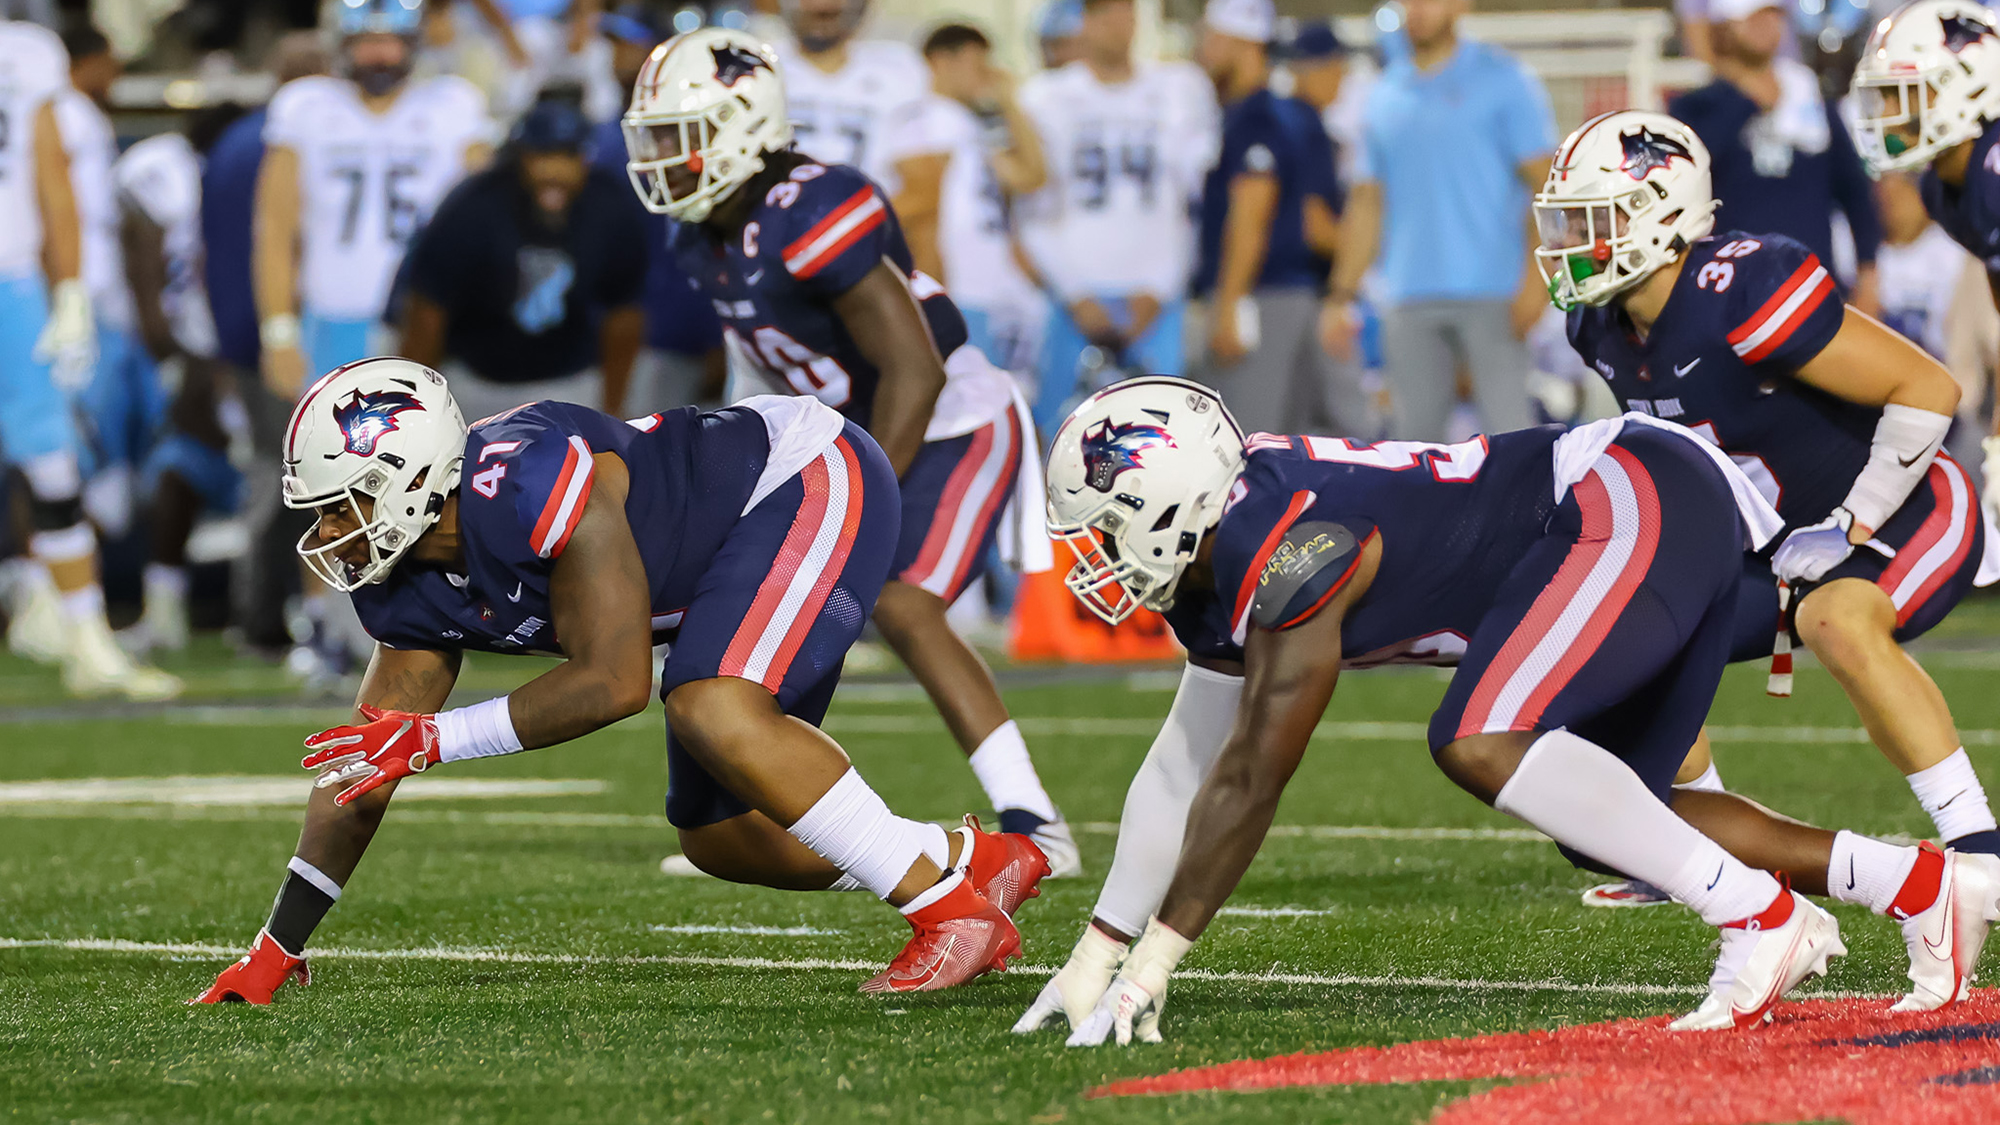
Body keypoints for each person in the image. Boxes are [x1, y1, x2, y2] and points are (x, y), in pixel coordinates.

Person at [1014, 376, 2000, 1046]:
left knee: (1477, 738)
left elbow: (1252, 773)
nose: (1093, 558)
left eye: (1105, 528)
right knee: (1613, 822)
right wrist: (1095, 953)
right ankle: (1921, 887)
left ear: (1173, 499)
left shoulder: (1288, 543)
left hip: (1621, 493)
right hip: (1608, 519)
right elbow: (1180, 768)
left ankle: (1756, 916)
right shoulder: (1217, 564)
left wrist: (1155, 964)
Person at [189, 359, 1050, 1003]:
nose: (333, 531)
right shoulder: (402, 584)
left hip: (804, 477)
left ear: (413, 481)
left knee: (711, 702)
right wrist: (276, 949)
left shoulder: (528, 483)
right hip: (727, 563)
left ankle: (950, 914)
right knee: (719, 838)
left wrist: (436, 740)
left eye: (346, 503)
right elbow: (361, 772)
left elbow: (612, 681)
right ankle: (972, 860)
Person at [623, 29, 1080, 875]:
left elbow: (915, 367)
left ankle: (1034, 820)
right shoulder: (703, 234)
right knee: (768, 608)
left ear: (744, 127)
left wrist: (867, 496)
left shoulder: (813, 206)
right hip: (842, 439)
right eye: (654, 140)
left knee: (903, 604)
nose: (664, 160)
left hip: (952, 420)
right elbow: (760, 366)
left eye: (680, 138)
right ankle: (766, 806)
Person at [1535, 111, 2000, 890]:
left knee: (1836, 619)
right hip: (1776, 541)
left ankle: (1978, 843)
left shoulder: (1743, 288)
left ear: (1661, 215)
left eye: (1594, 220)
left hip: (1904, 506)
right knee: (1636, 635)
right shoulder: (1599, 324)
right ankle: (1700, 846)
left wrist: (1851, 522)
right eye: (1567, 222)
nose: (1572, 243)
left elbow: (1928, 387)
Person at [255, 0, 493, 681]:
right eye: (367, 43)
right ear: (341, 44)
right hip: (335, 315)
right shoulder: (307, 107)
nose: (381, 56)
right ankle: (325, 626)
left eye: (393, 41)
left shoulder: (453, 104)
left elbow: (478, 217)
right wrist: (278, 327)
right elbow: (275, 227)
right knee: (328, 479)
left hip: (426, 318)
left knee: (434, 479)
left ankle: (428, 618)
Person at [0, 18, 178, 699]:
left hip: (12, 275)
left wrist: (68, 289)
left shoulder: (26, 49)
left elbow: (49, 175)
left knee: (52, 462)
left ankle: (86, 639)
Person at [1325, 0, 1554, 443]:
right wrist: (1341, 294)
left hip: (1495, 294)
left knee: (1513, 443)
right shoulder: (1384, 95)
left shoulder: (1503, 79)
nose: (1418, 10)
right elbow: (1367, 201)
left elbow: (1544, 184)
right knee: (1413, 451)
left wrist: (1538, 279)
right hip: (1408, 298)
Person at [1016, 0, 1217, 432]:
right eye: (1103, 13)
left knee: (1165, 445)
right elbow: (1031, 209)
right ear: (1083, 21)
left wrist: (1162, 286)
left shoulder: (1180, 87)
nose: (1117, 23)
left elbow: (1191, 202)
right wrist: (1074, 293)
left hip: (1156, 299)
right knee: (1063, 443)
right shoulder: (1043, 98)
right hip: (1072, 299)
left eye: (1125, 11)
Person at [400, 96, 646, 421]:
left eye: (567, 156)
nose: (554, 171)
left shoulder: (610, 208)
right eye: (543, 155)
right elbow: (427, 310)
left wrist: (614, 406)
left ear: (585, 158)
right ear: (521, 156)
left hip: (568, 383)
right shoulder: (473, 206)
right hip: (477, 382)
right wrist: (416, 410)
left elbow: (624, 314)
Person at [202, 31, 328, 658]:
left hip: (239, 328)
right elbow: (285, 245)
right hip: (285, 330)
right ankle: (266, 613)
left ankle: (257, 611)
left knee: (272, 473)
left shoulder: (234, 141)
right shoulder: (292, 145)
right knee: (301, 478)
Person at [1190, 0, 1371, 438]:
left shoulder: (1260, 116)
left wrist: (1230, 303)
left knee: (1244, 444)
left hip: (1262, 295)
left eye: (1214, 39)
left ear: (1245, 43)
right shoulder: (1259, 113)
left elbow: (1253, 212)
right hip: (1274, 293)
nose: (1203, 51)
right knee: (1282, 440)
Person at [1852, 0, 2000, 514]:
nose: (1889, 112)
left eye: (1902, 93)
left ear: (1969, 87)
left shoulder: (1988, 175)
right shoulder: (1945, 186)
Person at [119, 104, 251, 653]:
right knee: (178, 469)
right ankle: (164, 606)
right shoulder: (182, 191)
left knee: (296, 493)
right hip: (209, 363)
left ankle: (284, 611)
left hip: (261, 358)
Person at [1669, 0, 1883, 316]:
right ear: (1724, 26)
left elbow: (1855, 192)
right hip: (1727, 299)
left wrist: (1869, 274)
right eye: (1754, 17)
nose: (1767, 25)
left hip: (1813, 294)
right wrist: (1743, 102)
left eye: (1773, 14)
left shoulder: (1810, 97)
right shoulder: (1696, 107)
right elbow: (1685, 176)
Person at [587, 8, 723, 412]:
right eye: (616, 45)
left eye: (634, 45)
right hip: (624, 337)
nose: (620, 57)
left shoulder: (696, 136)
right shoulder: (606, 134)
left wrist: (717, 335)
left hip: (684, 334)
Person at [773, 0, 950, 279]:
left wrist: (830, 232)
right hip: (774, 257)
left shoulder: (898, 70)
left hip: (869, 258)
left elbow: (924, 191)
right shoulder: (755, 66)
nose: (823, 8)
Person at [921, 22, 1047, 389]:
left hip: (995, 289)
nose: (986, 75)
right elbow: (922, 214)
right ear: (942, 62)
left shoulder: (970, 125)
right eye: (976, 65)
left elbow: (1031, 176)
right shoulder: (927, 119)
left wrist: (1010, 103)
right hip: (961, 289)